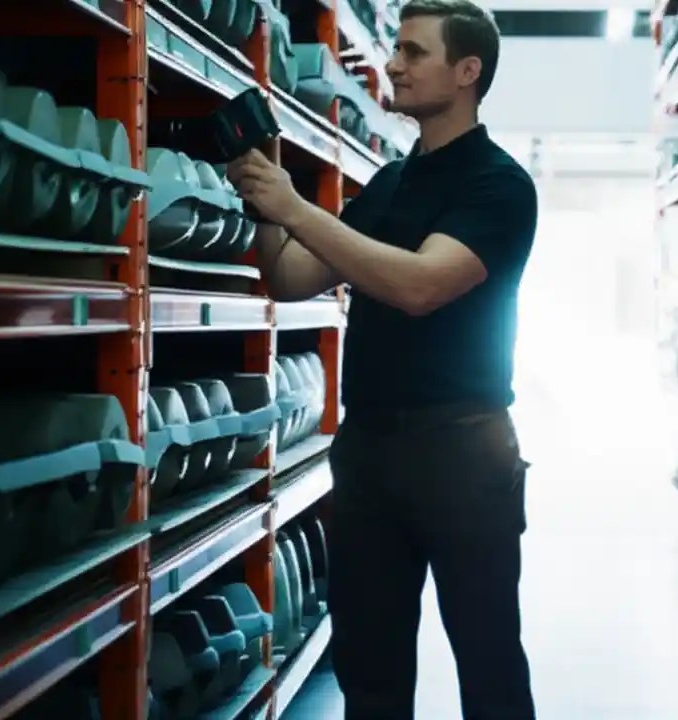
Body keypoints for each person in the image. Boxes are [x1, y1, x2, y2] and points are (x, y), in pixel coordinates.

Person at [226, 1, 538, 717]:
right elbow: (292, 277)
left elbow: (419, 286)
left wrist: (300, 210)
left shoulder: (499, 185)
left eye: (412, 52)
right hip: (368, 450)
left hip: (461, 451)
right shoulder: (393, 183)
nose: (393, 65)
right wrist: (268, 201)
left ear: (468, 72)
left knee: (487, 662)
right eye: (394, 48)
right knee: (368, 665)